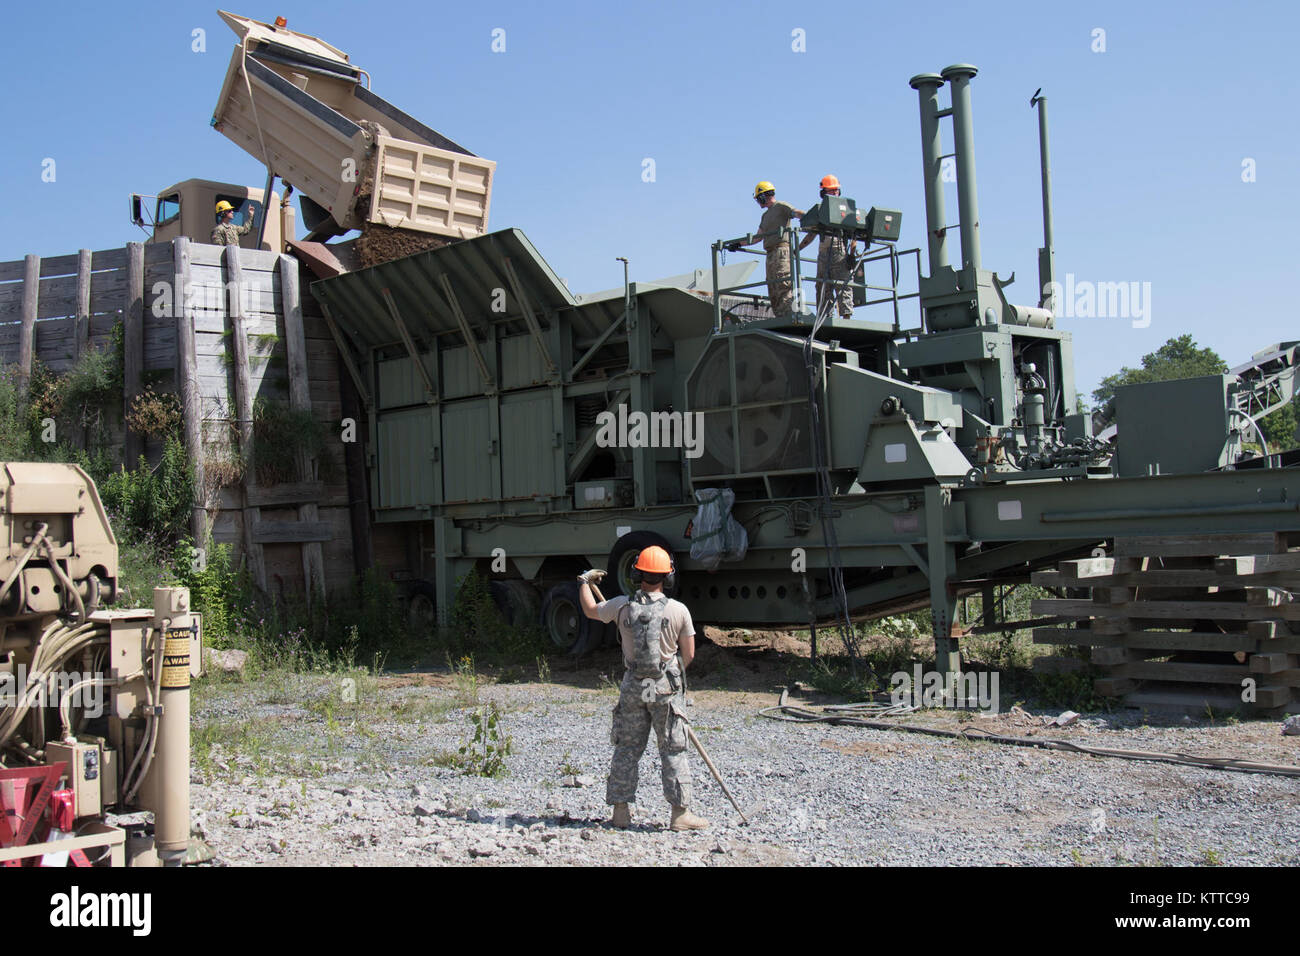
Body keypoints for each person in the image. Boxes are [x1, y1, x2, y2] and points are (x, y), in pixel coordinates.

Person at [578, 546, 708, 832]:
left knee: (627, 749)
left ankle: (621, 813)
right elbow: (689, 655)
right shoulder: (678, 610)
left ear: (636, 573)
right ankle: (679, 815)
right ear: (668, 576)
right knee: (673, 750)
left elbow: (589, 610)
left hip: (633, 686)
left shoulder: (621, 606)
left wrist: (585, 582)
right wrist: (673, 678)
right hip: (664, 688)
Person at [728, 182, 804, 318]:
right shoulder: (765, 216)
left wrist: (808, 218)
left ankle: (789, 315)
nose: (758, 202)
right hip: (770, 254)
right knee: (772, 287)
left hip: (781, 251)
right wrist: (738, 243)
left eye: (758, 198)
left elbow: (797, 213)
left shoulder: (781, 206)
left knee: (783, 284)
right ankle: (780, 317)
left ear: (763, 196)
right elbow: (757, 237)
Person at [799, 175, 856, 319]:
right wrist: (797, 250)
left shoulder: (846, 209)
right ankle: (825, 318)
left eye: (835, 191)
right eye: (830, 191)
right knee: (823, 287)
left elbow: (854, 234)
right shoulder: (821, 212)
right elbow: (812, 234)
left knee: (843, 285)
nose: (833, 194)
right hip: (823, 254)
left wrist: (851, 254)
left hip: (839, 252)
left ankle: (846, 318)